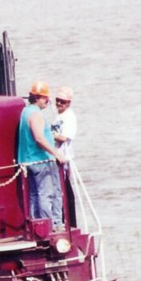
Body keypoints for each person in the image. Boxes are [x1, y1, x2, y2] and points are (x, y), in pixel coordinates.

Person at [17, 81, 66, 230]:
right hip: (40, 160)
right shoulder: (36, 115)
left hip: (28, 161)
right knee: (46, 194)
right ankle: (48, 226)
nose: (48, 101)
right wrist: (56, 153)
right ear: (37, 98)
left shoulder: (25, 112)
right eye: (45, 98)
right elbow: (39, 138)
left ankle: (36, 223)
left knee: (34, 194)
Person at [51, 85, 78, 224]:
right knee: (58, 189)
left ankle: (70, 222)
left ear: (68, 103)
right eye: (57, 100)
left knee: (66, 190)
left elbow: (64, 137)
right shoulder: (58, 116)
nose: (58, 103)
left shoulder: (70, 117)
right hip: (56, 157)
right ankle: (61, 219)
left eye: (62, 101)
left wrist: (48, 135)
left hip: (64, 158)